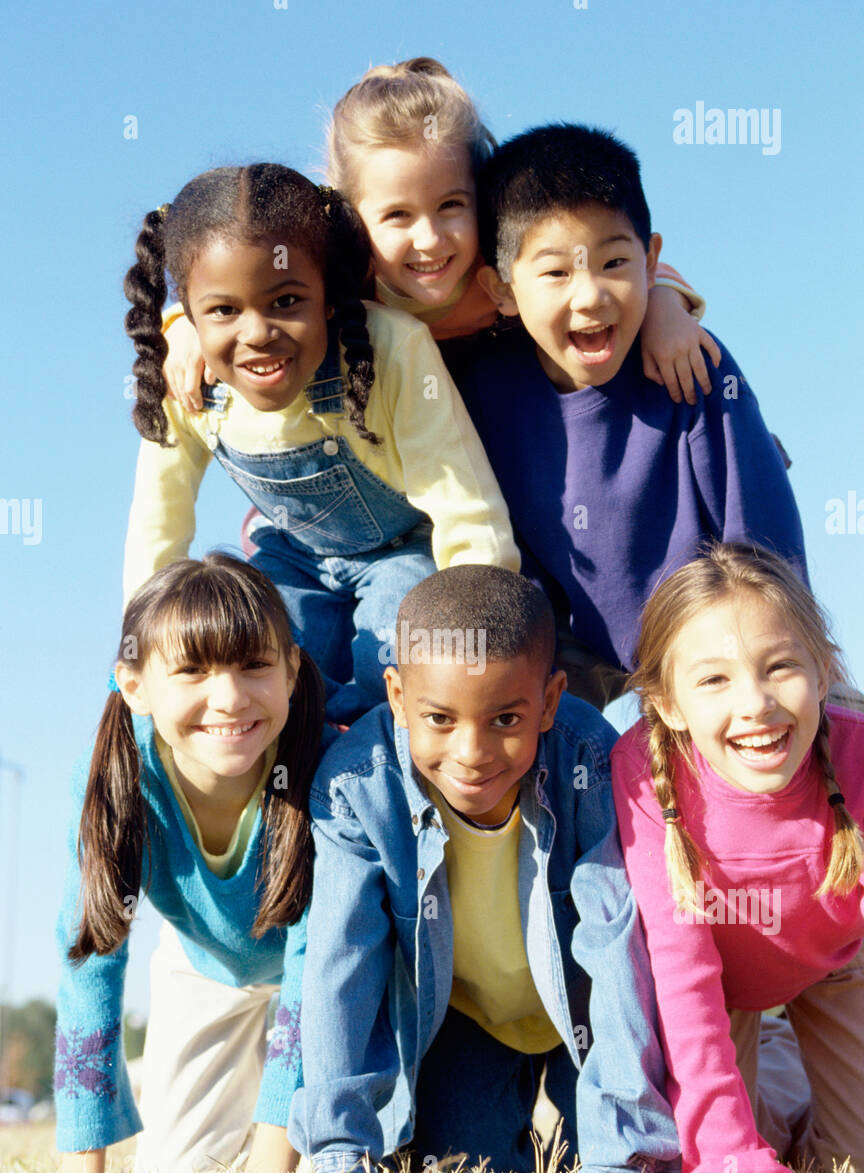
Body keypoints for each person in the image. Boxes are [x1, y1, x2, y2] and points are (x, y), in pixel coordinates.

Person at [289, 565, 680, 1173]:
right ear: (395, 696)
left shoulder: (589, 761)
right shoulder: (355, 787)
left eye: (505, 719)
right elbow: (342, 966)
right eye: (439, 718)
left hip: (588, 1018)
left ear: (549, 701)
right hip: (470, 1021)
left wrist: (622, 1152)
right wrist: (339, 1152)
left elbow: (619, 952)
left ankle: (760, 1075)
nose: (472, 751)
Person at [123, 162, 518, 724]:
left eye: (286, 301)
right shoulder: (183, 377)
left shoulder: (391, 349)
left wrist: (481, 636)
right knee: (262, 671)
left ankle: (376, 781)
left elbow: (464, 504)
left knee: (396, 673)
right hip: (293, 556)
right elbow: (157, 529)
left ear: (330, 295)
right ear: (187, 313)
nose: (258, 332)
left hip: (403, 550)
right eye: (224, 310)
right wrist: (143, 648)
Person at [453, 123, 807, 710]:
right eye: (556, 273)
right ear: (502, 289)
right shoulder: (488, 395)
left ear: (652, 259)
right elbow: (518, 564)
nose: (589, 295)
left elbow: (762, 534)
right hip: (593, 669)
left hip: (724, 655)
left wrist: (781, 663)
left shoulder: (690, 363)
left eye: (615, 262)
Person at [162, 59, 715, 409]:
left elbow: (609, 263)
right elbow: (243, 284)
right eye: (397, 217)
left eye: (451, 206)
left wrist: (666, 306)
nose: (429, 239)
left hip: (504, 436)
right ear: (353, 216)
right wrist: (184, 328)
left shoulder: (505, 269)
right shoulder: (343, 273)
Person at [54, 553, 325, 1173]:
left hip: (336, 977)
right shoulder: (117, 785)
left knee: (335, 1169)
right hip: (207, 965)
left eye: (255, 664)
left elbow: (319, 970)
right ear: (135, 684)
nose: (228, 698)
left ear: (291, 670)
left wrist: (270, 1169)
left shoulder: (327, 771)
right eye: (192, 670)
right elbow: (92, 958)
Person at [612, 543, 864, 1173]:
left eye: (779, 667)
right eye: (715, 680)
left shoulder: (856, 750)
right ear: (668, 703)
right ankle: (774, 1064)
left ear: (824, 668)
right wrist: (727, 1156)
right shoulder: (647, 771)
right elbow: (682, 974)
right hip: (719, 989)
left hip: (836, 965)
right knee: (745, 1154)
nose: (755, 704)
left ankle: (798, 1071)